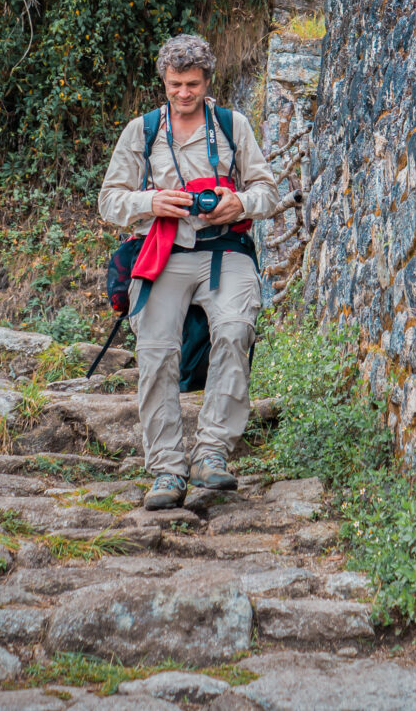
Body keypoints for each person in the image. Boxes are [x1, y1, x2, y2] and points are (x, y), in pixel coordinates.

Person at [98, 33, 277, 510]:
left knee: (236, 330)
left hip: (227, 250)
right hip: (164, 251)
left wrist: (239, 200)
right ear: (164, 82)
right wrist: (150, 201)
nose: (183, 94)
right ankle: (166, 469)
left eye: (192, 84)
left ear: (206, 81)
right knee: (156, 354)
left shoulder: (232, 125)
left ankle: (212, 453)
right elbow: (109, 199)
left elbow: (268, 190)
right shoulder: (143, 130)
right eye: (175, 85)